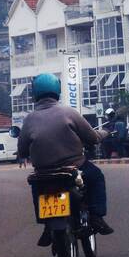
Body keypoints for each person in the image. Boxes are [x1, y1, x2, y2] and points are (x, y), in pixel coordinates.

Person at [18, 73, 113, 244]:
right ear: (57, 91)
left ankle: (47, 225)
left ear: (35, 94)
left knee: (37, 188)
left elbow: (22, 151)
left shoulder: (29, 120)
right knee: (96, 176)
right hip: (74, 167)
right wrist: (105, 133)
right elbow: (93, 137)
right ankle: (97, 216)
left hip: (44, 173)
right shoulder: (69, 112)